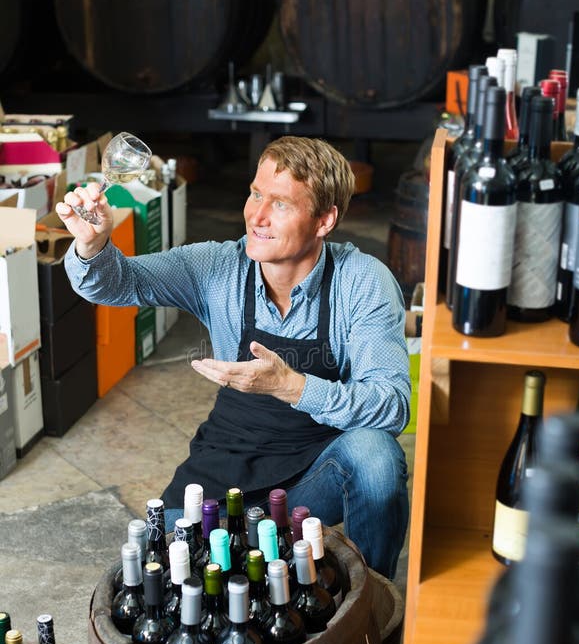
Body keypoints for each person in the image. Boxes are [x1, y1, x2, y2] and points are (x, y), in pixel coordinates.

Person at [58, 136, 410, 579]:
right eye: (256, 194)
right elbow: (120, 282)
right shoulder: (216, 267)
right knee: (159, 572)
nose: (257, 216)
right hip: (223, 470)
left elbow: (392, 406)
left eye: (280, 204)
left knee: (377, 456)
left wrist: (291, 386)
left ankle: (372, 602)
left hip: (313, 478)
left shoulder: (361, 281)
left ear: (324, 220)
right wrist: (92, 246)